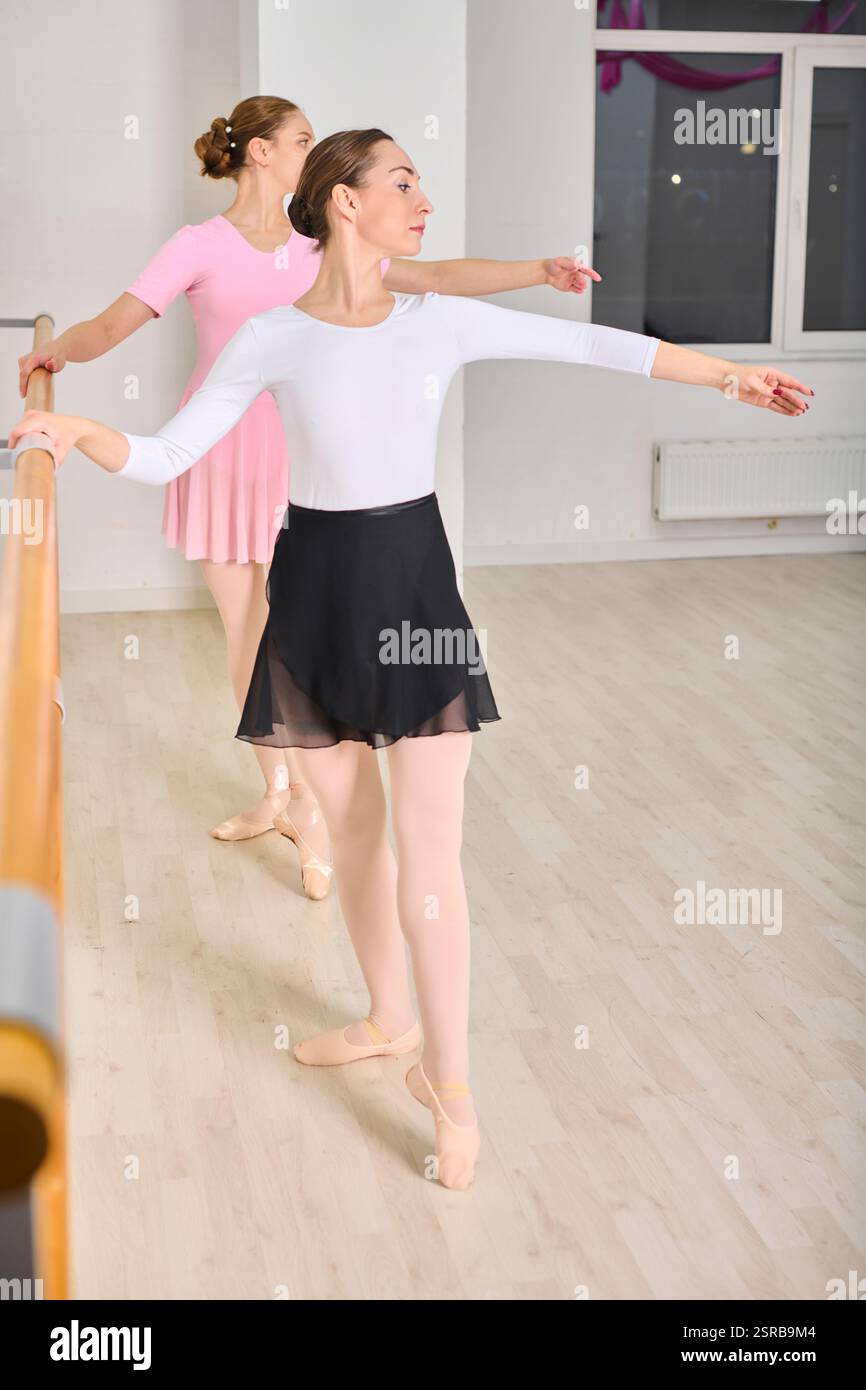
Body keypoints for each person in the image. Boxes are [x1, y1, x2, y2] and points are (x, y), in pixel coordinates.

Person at [11, 130, 812, 1190]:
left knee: (430, 850)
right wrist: (69, 430)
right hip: (313, 595)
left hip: (414, 591)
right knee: (352, 831)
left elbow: (590, 348)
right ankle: (386, 1020)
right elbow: (166, 453)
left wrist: (727, 379)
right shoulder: (269, 336)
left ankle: (453, 1080)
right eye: (402, 182)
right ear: (342, 202)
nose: (422, 199)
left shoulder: (438, 321)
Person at [18, 97, 598, 901]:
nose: (311, 148)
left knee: (299, 630)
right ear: (260, 153)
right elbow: (115, 326)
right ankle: (279, 791)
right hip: (219, 450)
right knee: (247, 633)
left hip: (309, 459)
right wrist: (53, 354)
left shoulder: (324, 244)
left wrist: (539, 270)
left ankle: (321, 805)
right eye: (299, 139)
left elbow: (436, 278)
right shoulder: (198, 246)